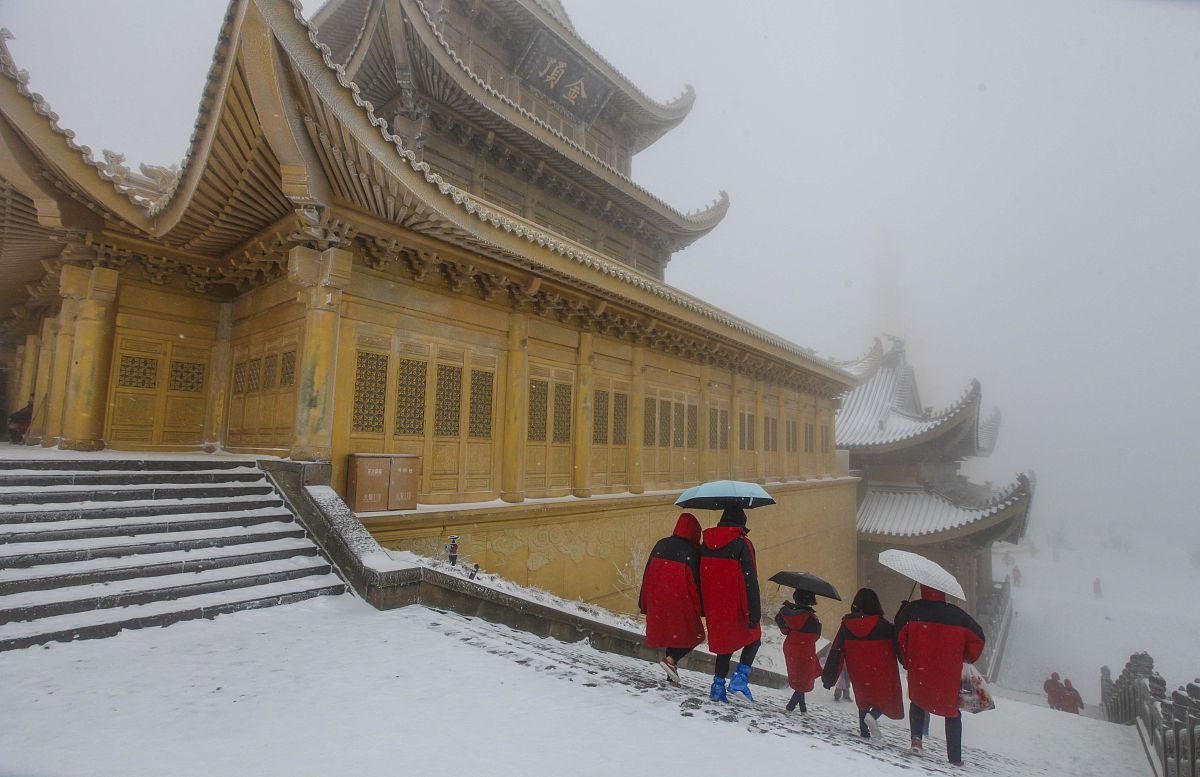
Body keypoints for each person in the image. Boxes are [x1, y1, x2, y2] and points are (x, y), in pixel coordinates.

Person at [895, 584, 985, 766]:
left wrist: (906, 660)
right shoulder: (958, 616)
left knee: (918, 702)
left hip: (920, 667)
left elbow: (899, 636)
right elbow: (979, 638)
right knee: (952, 712)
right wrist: (966, 656)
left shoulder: (912, 610)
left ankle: (916, 741)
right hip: (948, 672)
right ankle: (954, 757)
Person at [822, 587, 905, 740]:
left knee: (863, 700)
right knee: (884, 699)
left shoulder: (846, 625)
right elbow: (898, 640)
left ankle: (864, 733)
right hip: (880, 670)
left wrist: (829, 677)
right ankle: (873, 716)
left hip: (858, 671)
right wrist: (902, 612)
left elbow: (836, 650)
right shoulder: (883, 626)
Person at [699, 507, 761, 703]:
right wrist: (754, 613)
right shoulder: (743, 545)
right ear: (741, 524)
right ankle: (740, 680)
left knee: (724, 648)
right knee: (754, 638)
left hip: (714, 605)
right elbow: (750, 581)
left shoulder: (706, 544)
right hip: (737, 605)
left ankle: (718, 687)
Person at [638, 513, 705, 684]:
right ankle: (671, 660)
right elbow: (694, 584)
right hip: (680, 601)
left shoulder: (661, 544)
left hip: (659, 599)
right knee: (697, 635)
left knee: (672, 636)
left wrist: (643, 602)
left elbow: (648, 574)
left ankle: (671, 675)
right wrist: (701, 609)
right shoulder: (690, 552)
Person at [775, 588, 821, 713]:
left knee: (800, 677)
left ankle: (803, 708)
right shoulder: (811, 618)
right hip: (805, 649)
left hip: (790, 646)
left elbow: (784, 630)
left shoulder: (785, 612)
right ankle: (789, 708)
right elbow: (815, 636)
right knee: (804, 680)